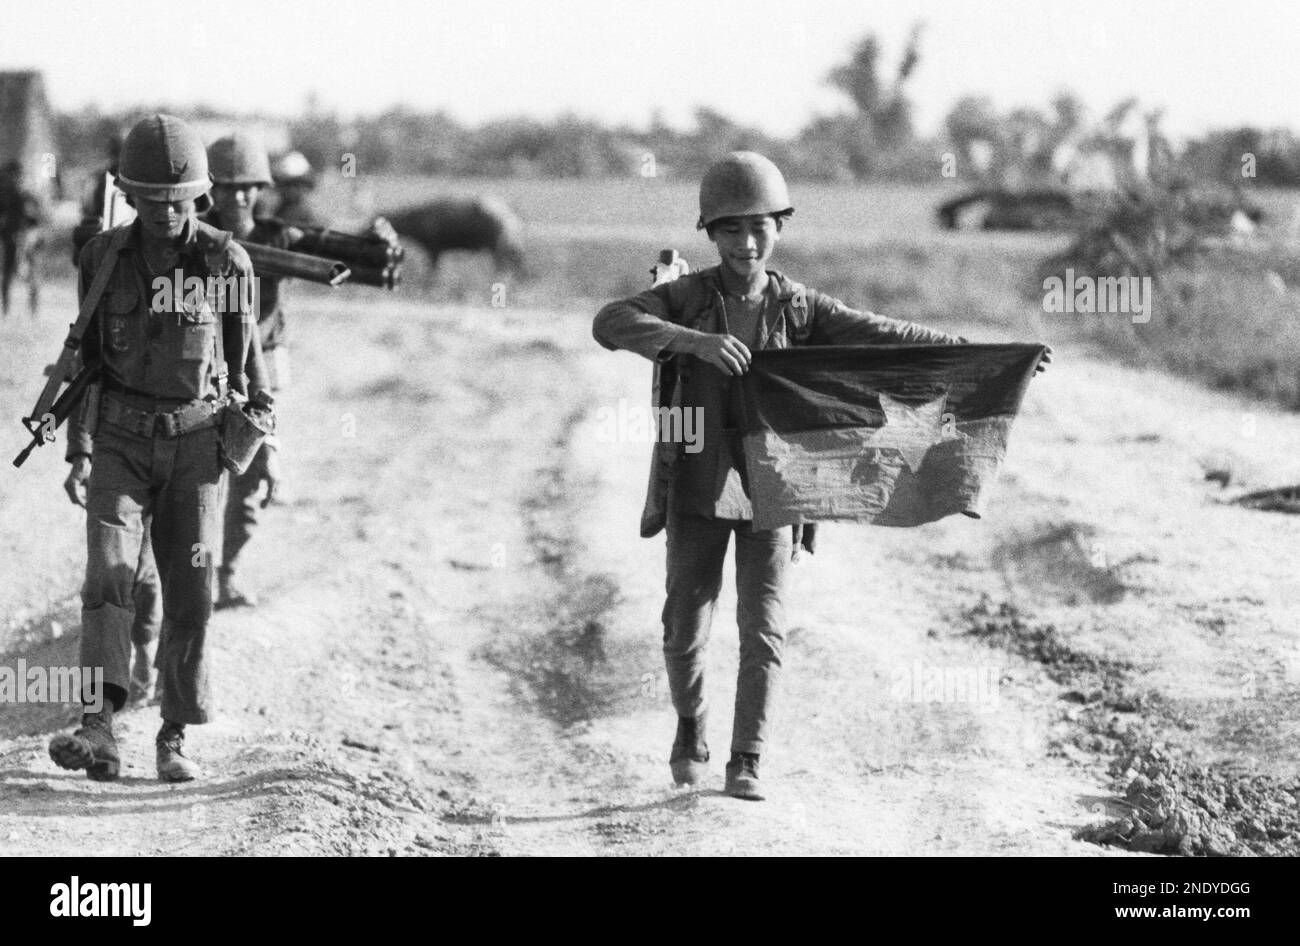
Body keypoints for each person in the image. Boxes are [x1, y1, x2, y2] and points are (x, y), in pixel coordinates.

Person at [593, 151, 1049, 801]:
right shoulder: (688, 298)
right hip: (696, 486)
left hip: (776, 490)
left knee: (764, 629)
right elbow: (608, 322)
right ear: (710, 233)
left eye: (760, 228)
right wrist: (692, 344)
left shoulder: (797, 307)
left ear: (780, 228)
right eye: (730, 230)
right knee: (682, 632)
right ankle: (690, 725)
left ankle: (746, 757)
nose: (747, 243)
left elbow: (884, 335)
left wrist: (994, 359)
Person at [49, 114, 273, 783]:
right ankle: (98, 726)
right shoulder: (100, 258)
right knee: (109, 577)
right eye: (151, 200)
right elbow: (85, 364)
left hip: (197, 449)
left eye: (178, 201)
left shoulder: (226, 261)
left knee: (191, 591)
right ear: (127, 194)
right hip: (118, 441)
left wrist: (237, 449)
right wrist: (78, 450)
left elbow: (255, 379)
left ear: (199, 197)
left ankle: (173, 734)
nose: (166, 212)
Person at [201, 132, 294, 608]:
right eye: (228, 186)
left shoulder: (278, 235)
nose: (238, 196)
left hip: (264, 369)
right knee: (193, 477)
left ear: (262, 189)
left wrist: (375, 246)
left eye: (249, 186)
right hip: (205, 366)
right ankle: (180, 576)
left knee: (255, 477)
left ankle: (229, 571)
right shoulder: (192, 237)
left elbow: (339, 253)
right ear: (209, 188)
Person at [0, 158, 45, 317]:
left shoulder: (21, 193)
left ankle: (16, 307)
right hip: (18, 235)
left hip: (22, 236)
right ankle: (15, 307)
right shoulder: (15, 193)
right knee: (23, 270)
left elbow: (37, 216)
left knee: (18, 270)